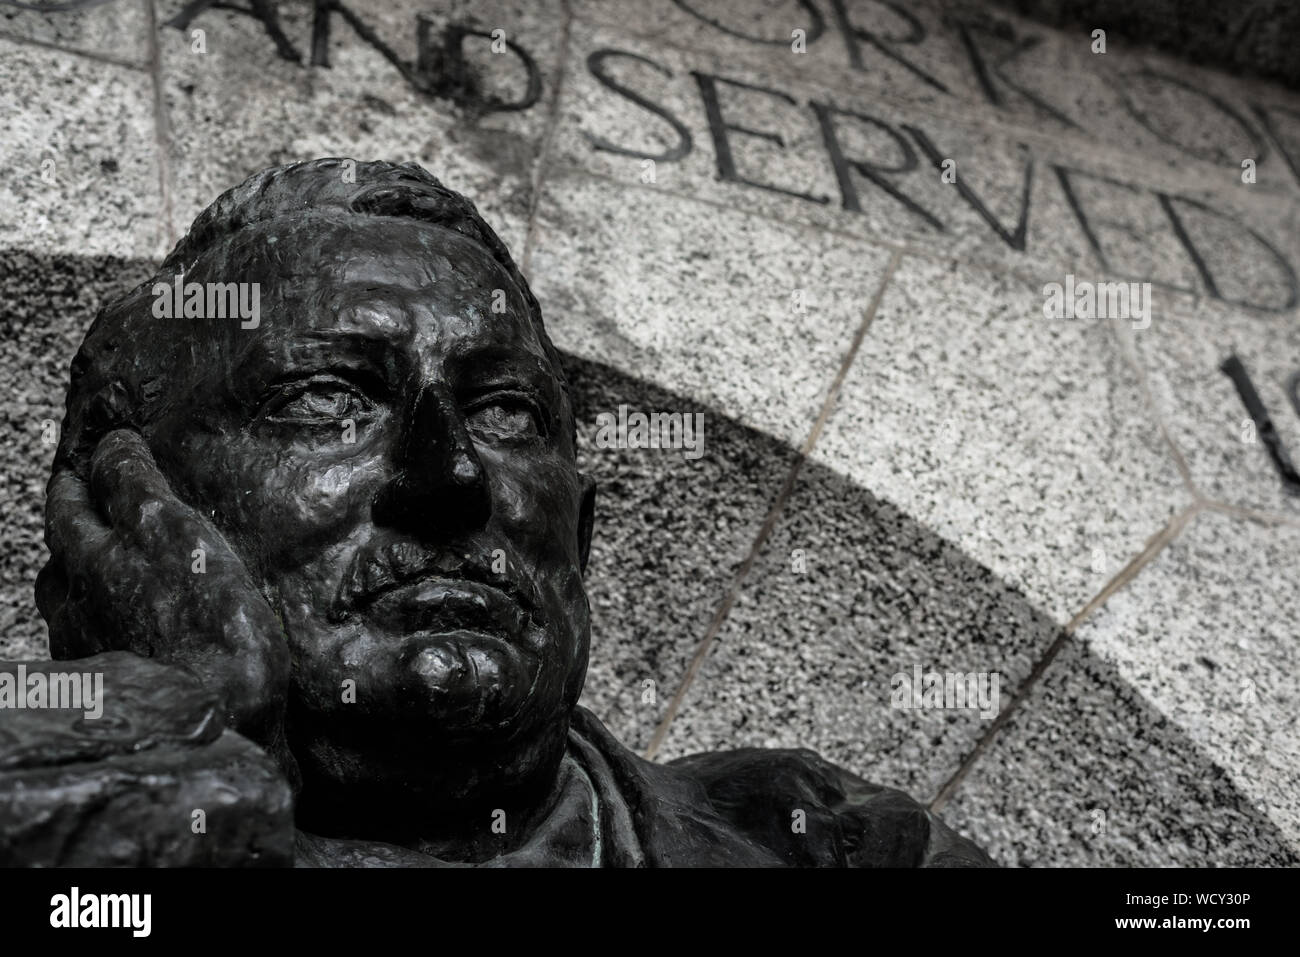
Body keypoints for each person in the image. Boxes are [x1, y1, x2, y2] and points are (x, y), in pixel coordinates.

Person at [37, 158, 991, 867]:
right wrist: (171, 744)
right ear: (116, 540)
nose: (450, 476)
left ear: (577, 538)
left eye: (505, 411)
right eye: (324, 398)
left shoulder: (831, 842)